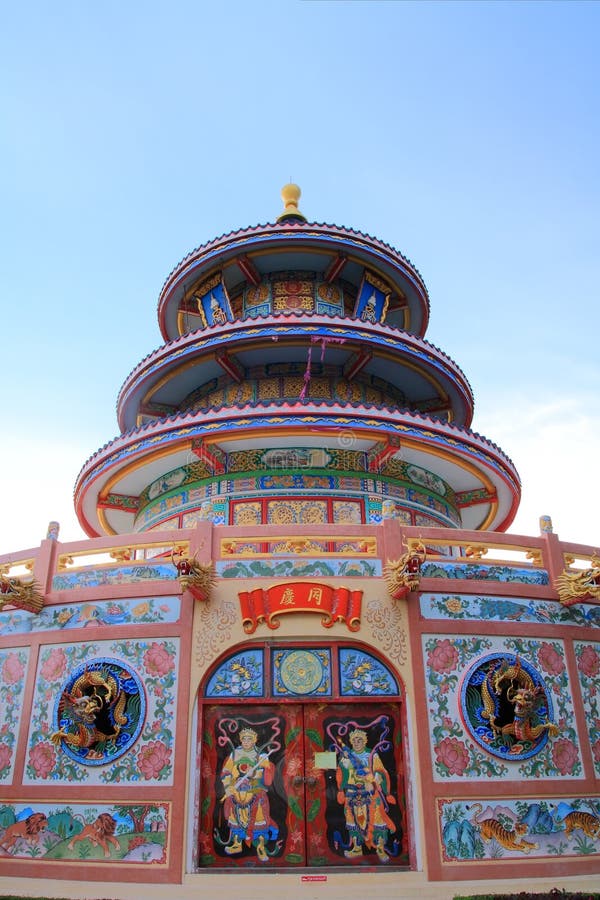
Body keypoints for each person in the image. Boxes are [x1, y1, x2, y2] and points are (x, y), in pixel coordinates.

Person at [336, 728, 396, 861]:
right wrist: (344, 766)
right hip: (352, 793)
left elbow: (381, 771)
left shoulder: (372, 755)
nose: (357, 743)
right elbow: (341, 775)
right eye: (354, 740)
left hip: (370, 793)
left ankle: (380, 848)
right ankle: (357, 848)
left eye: (360, 740)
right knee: (352, 820)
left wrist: (374, 780)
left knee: (378, 819)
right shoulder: (348, 756)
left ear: (365, 741)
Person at [220, 727, 277, 861]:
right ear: (240, 740)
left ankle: (261, 846)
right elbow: (226, 771)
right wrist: (228, 786)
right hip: (237, 794)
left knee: (259, 820)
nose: (246, 741)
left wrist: (260, 771)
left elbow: (267, 773)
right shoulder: (234, 754)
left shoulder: (260, 755)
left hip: (254, 793)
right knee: (236, 819)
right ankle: (237, 843)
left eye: (249, 739)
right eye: (244, 739)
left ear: (255, 740)